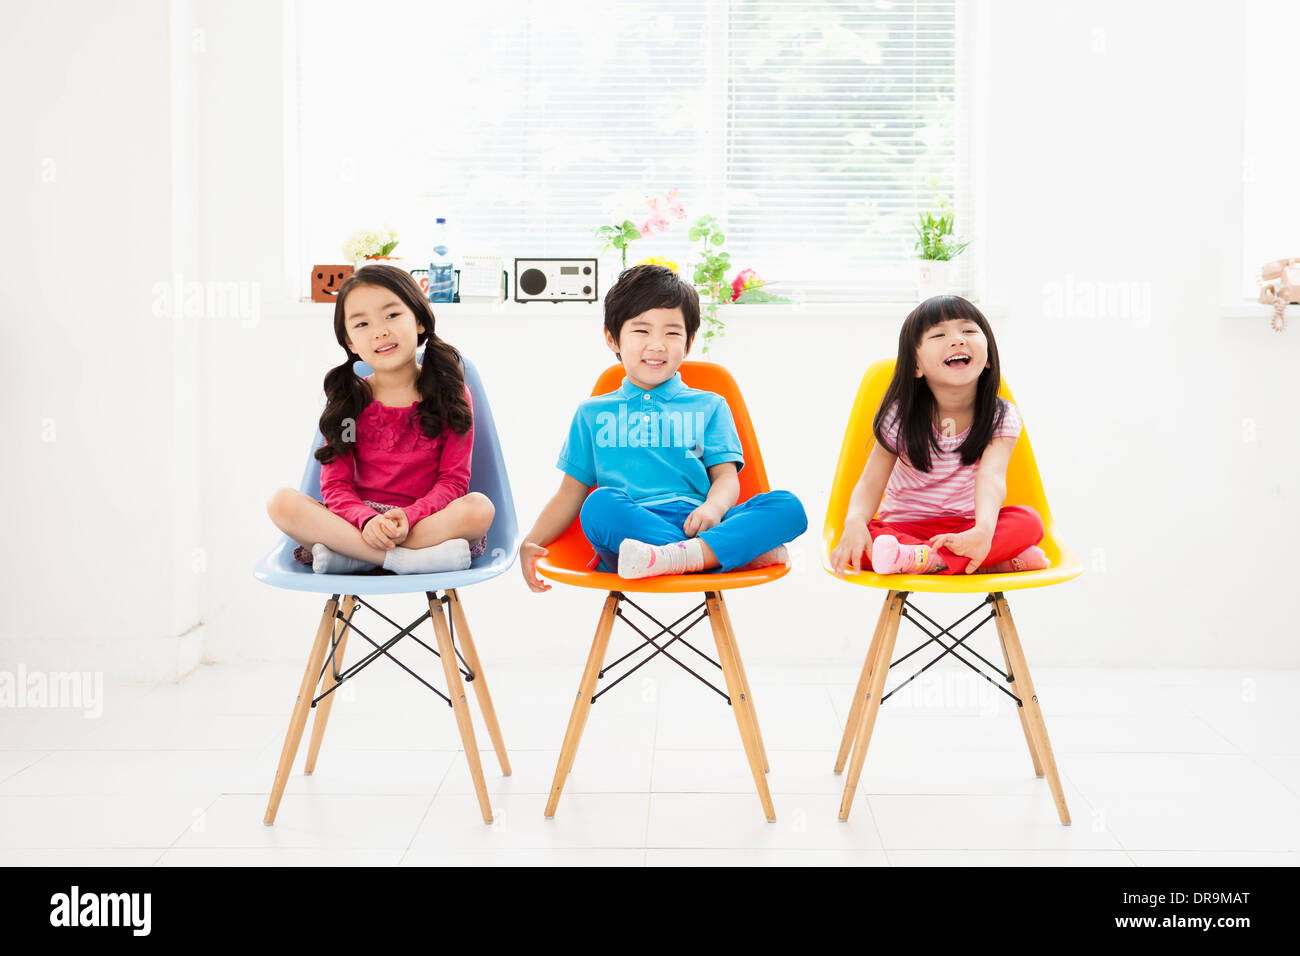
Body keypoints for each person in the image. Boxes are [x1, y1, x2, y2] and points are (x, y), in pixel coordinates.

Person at [519, 263, 807, 590]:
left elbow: (726, 478)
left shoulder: (710, 405)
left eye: (671, 333)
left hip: (697, 525)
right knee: (598, 506)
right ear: (612, 338)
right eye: (642, 331)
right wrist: (532, 540)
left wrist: (713, 508)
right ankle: (718, 556)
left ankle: (689, 556)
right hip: (633, 538)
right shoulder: (591, 413)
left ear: (689, 342)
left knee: (787, 506)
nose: (657, 345)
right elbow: (569, 494)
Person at [266, 264, 494, 575]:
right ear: (349, 343)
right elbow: (336, 485)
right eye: (362, 324)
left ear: (419, 321)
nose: (379, 331)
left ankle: (353, 556)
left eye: (391, 315)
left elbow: (452, 482)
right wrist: (367, 520)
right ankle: (404, 560)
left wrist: (409, 516)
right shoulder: (349, 402)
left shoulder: (450, 395)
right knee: (282, 503)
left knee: (479, 508)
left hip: (424, 520)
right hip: (358, 521)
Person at [829, 295, 1050, 576]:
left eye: (968, 330)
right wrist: (855, 521)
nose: (958, 340)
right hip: (905, 528)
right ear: (915, 366)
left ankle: (927, 560)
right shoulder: (900, 416)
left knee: (1029, 522)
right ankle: (990, 562)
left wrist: (982, 531)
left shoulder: (1001, 415)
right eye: (938, 334)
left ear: (988, 359)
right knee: (867, 540)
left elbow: (991, 478)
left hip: (967, 529)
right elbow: (871, 481)